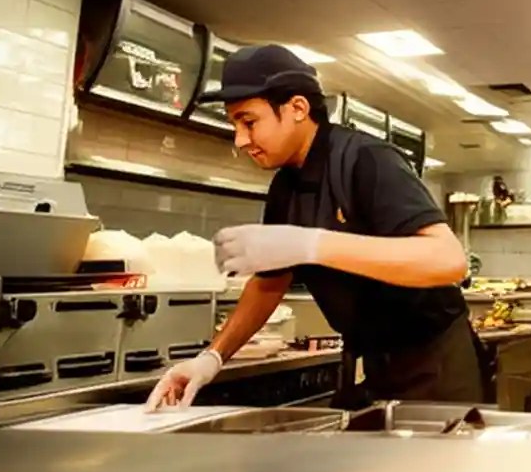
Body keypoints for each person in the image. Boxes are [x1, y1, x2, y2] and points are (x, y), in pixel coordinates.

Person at [147, 45, 481, 410]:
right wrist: (211, 358)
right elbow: (269, 283)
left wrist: (313, 244)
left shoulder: (367, 160)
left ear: (297, 109)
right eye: (235, 125)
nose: (240, 140)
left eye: (249, 122)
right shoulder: (284, 188)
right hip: (363, 361)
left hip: (433, 361)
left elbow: (448, 259)